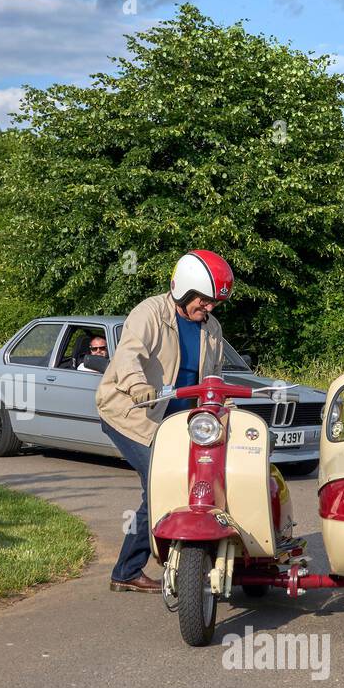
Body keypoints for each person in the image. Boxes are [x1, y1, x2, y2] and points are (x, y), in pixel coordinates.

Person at [94, 250, 233, 593]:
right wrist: (138, 386)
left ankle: (192, 553)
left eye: (214, 302)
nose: (210, 308)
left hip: (178, 422)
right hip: (133, 413)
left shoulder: (211, 328)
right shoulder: (149, 313)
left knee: (203, 477)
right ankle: (126, 572)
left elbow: (213, 376)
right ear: (185, 291)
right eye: (204, 300)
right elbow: (129, 354)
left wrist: (223, 403)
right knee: (158, 488)